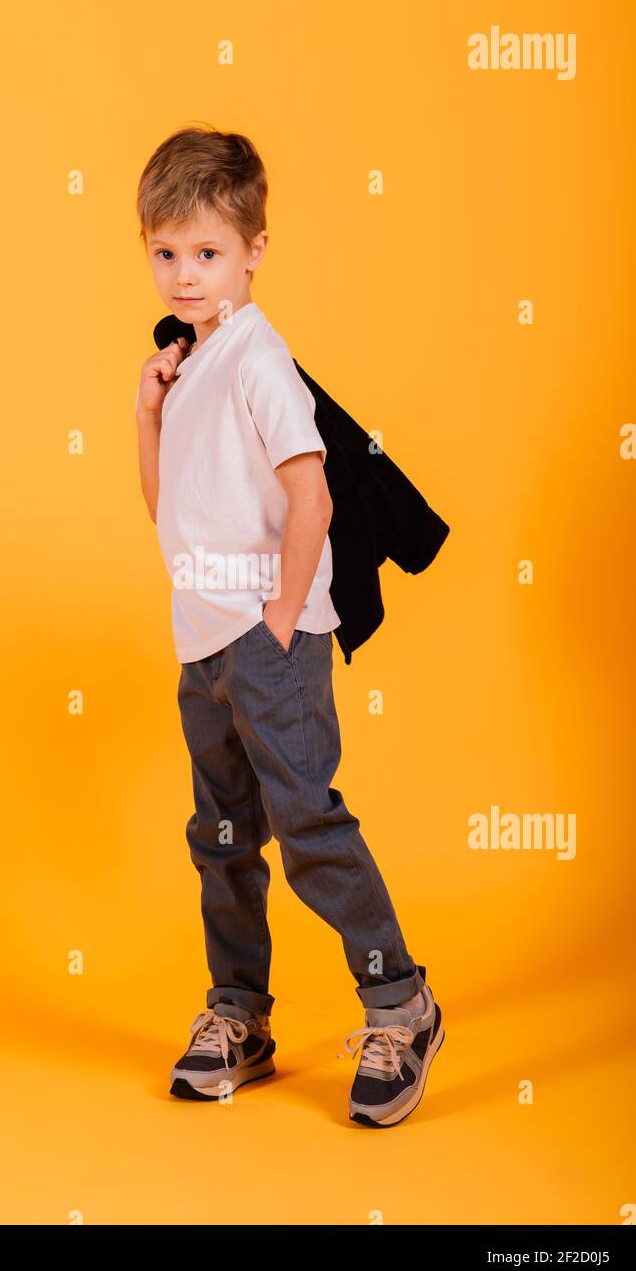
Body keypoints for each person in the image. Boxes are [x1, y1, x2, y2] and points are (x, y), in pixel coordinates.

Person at [133, 124, 444, 1127]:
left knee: (306, 823)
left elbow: (310, 498)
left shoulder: (260, 362)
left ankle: (401, 1003)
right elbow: (168, 514)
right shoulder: (189, 367)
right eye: (166, 252)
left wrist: (277, 620)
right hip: (201, 642)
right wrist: (147, 417)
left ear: (255, 250)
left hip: (267, 644)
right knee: (222, 836)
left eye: (208, 253)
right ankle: (241, 1016)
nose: (184, 274)